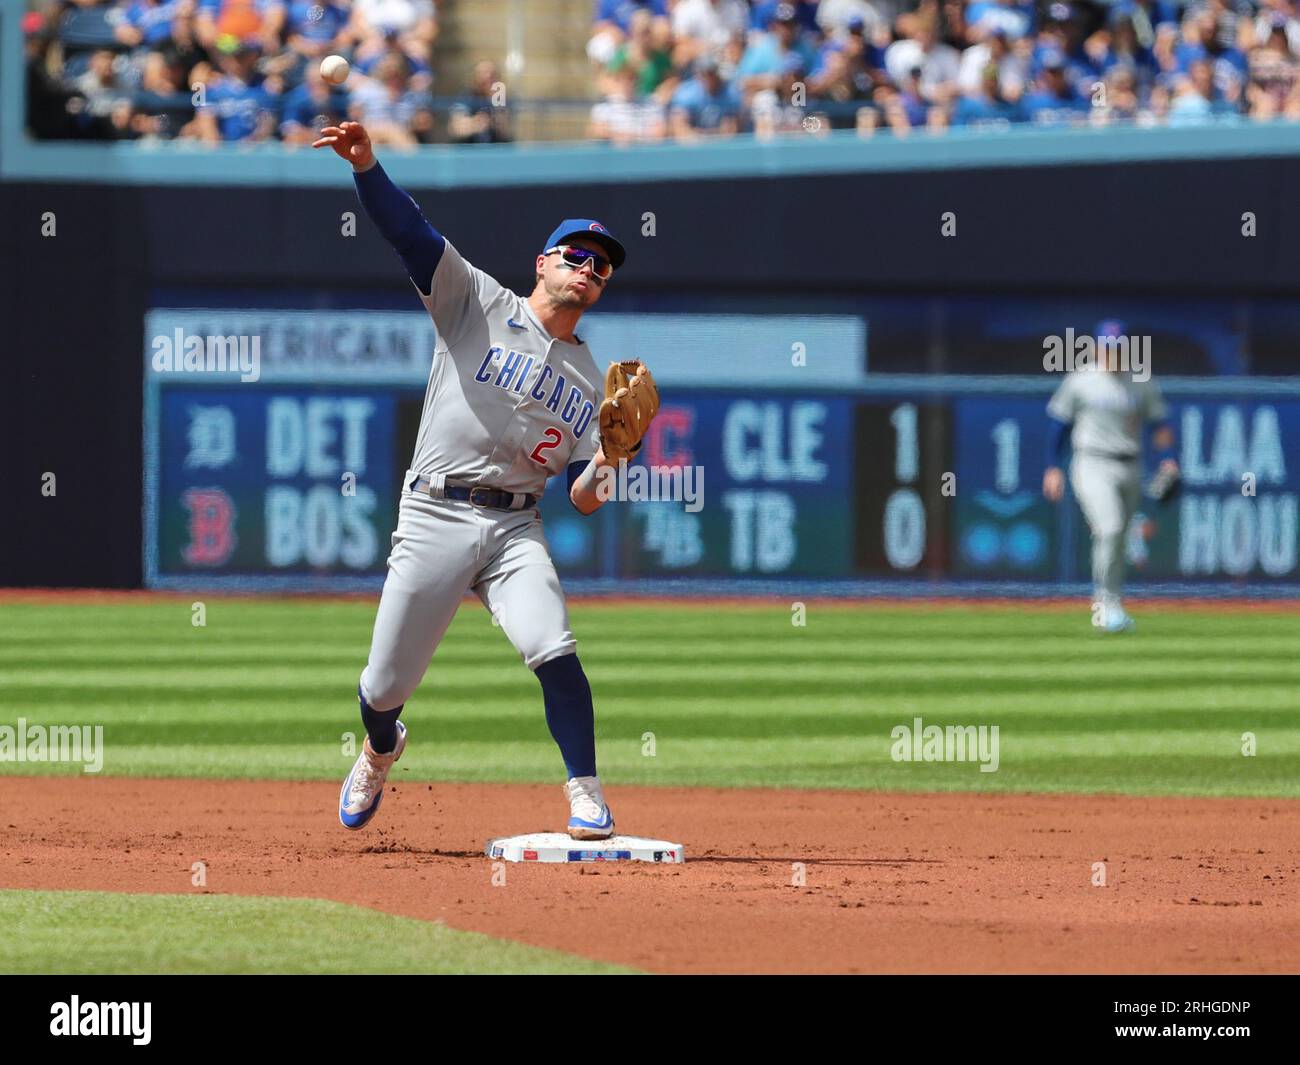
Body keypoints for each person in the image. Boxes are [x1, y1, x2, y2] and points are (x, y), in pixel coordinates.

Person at [312, 120, 659, 839]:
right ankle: (380, 746)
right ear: (543, 263)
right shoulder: (478, 301)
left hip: (513, 527)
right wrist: (367, 166)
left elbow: (585, 498)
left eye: (602, 264)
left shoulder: (592, 380)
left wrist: (615, 457)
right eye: (577, 256)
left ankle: (586, 792)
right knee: (383, 688)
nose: (590, 269)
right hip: (435, 512)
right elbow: (410, 233)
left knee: (553, 644)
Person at [1043, 320, 1179, 632]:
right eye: (1106, 347)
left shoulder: (1141, 381)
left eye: (1117, 348)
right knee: (1110, 527)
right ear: (1095, 348)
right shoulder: (1081, 381)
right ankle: (1104, 605)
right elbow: (1058, 426)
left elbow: (1159, 425)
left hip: (1131, 464)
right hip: (1090, 462)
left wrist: (1169, 459)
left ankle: (1112, 601)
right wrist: (1052, 467)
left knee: (1117, 539)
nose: (1111, 354)